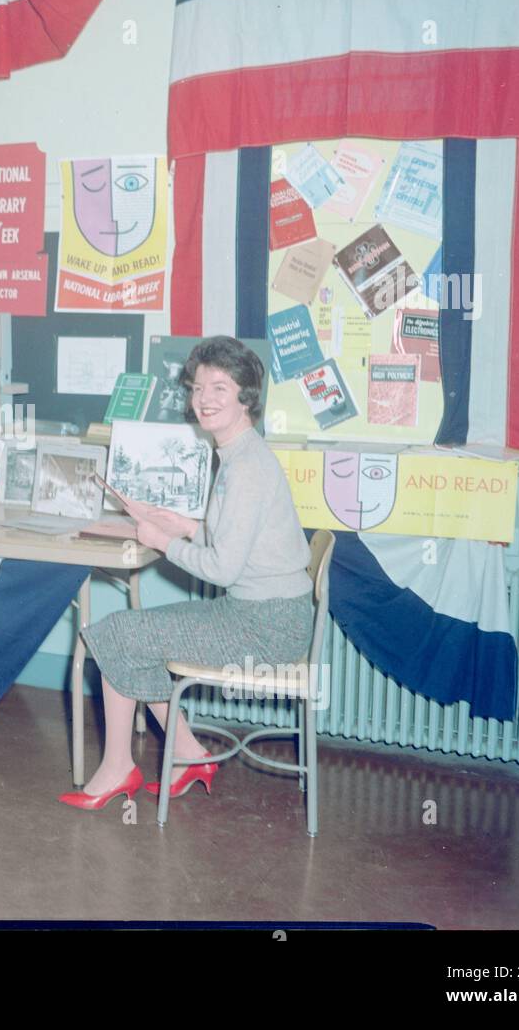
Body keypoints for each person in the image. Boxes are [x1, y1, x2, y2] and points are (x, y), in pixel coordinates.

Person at [59, 336, 314, 810]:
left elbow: (222, 568)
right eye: (198, 388)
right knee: (132, 634)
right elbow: (244, 542)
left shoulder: (246, 469)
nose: (205, 399)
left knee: (116, 633)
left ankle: (120, 768)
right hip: (269, 613)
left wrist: (161, 540)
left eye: (220, 387)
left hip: (266, 629)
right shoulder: (241, 453)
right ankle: (189, 754)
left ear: (246, 397)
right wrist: (182, 525)